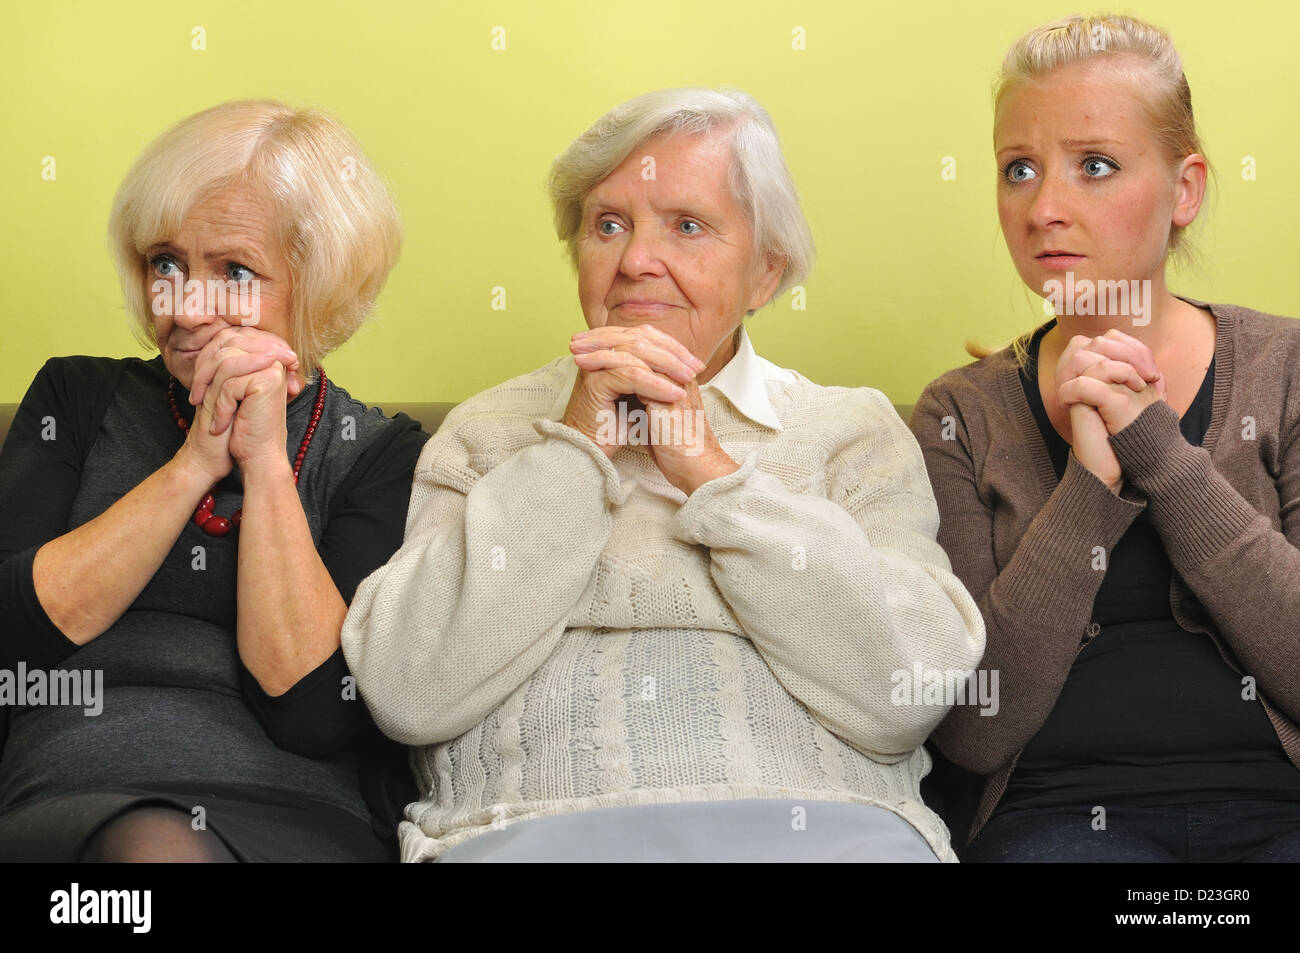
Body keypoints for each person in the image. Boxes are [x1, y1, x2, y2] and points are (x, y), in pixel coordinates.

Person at [342, 87, 984, 863]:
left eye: (687, 226)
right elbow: (409, 687)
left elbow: (909, 688)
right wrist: (575, 450)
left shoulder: (850, 430)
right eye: (608, 225)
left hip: (819, 830)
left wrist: (710, 472)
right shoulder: (488, 430)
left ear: (765, 273)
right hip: (531, 830)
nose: (637, 260)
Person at [911, 14, 1300, 862]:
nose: (1044, 207)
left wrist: (1155, 447)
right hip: (1062, 822)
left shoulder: (1286, 368)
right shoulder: (959, 416)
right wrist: (1087, 485)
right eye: (1019, 170)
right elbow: (975, 729)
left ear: (1184, 189)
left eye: (1095, 166)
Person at [0, 100, 427, 861]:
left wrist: (263, 462)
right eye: (166, 264)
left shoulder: (379, 454)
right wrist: (195, 460)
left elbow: (310, 712)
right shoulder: (76, 398)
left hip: (292, 818)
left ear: (317, 285)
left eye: (235, 271)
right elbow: (12, 641)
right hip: (76, 803)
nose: (188, 307)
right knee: (151, 853)